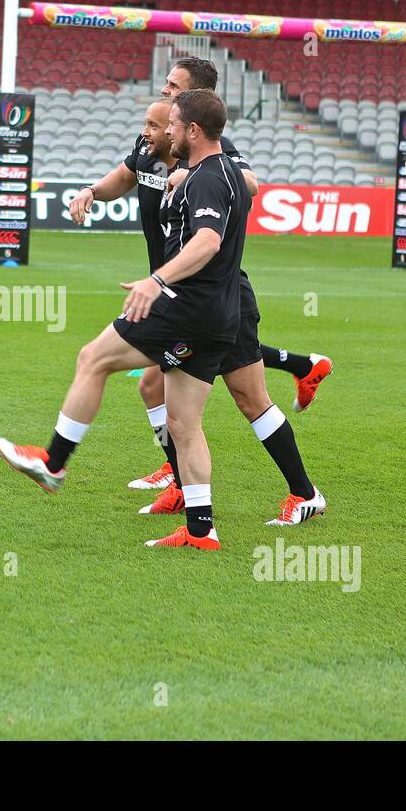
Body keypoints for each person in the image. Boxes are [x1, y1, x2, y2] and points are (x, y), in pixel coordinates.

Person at [0, 90, 250, 550]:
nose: (165, 130)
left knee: (93, 358)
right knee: (184, 425)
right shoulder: (221, 172)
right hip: (219, 316)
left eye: (172, 123)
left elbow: (208, 241)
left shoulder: (209, 179)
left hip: (185, 306)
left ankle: (54, 462)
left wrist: (157, 280)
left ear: (193, 130)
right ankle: (201, 531)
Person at [72, 57, 332, 495]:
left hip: (212, 290)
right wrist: (92, 191)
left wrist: (189, 173)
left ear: (195, 100)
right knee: (157, 388)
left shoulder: (209, 147)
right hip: (178, 290)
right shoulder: (157, 136)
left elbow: (248, 183)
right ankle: (184, 475)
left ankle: (300, 493)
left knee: (245, 398)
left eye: (174, 86)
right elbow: (126, 175)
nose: (164, 90)